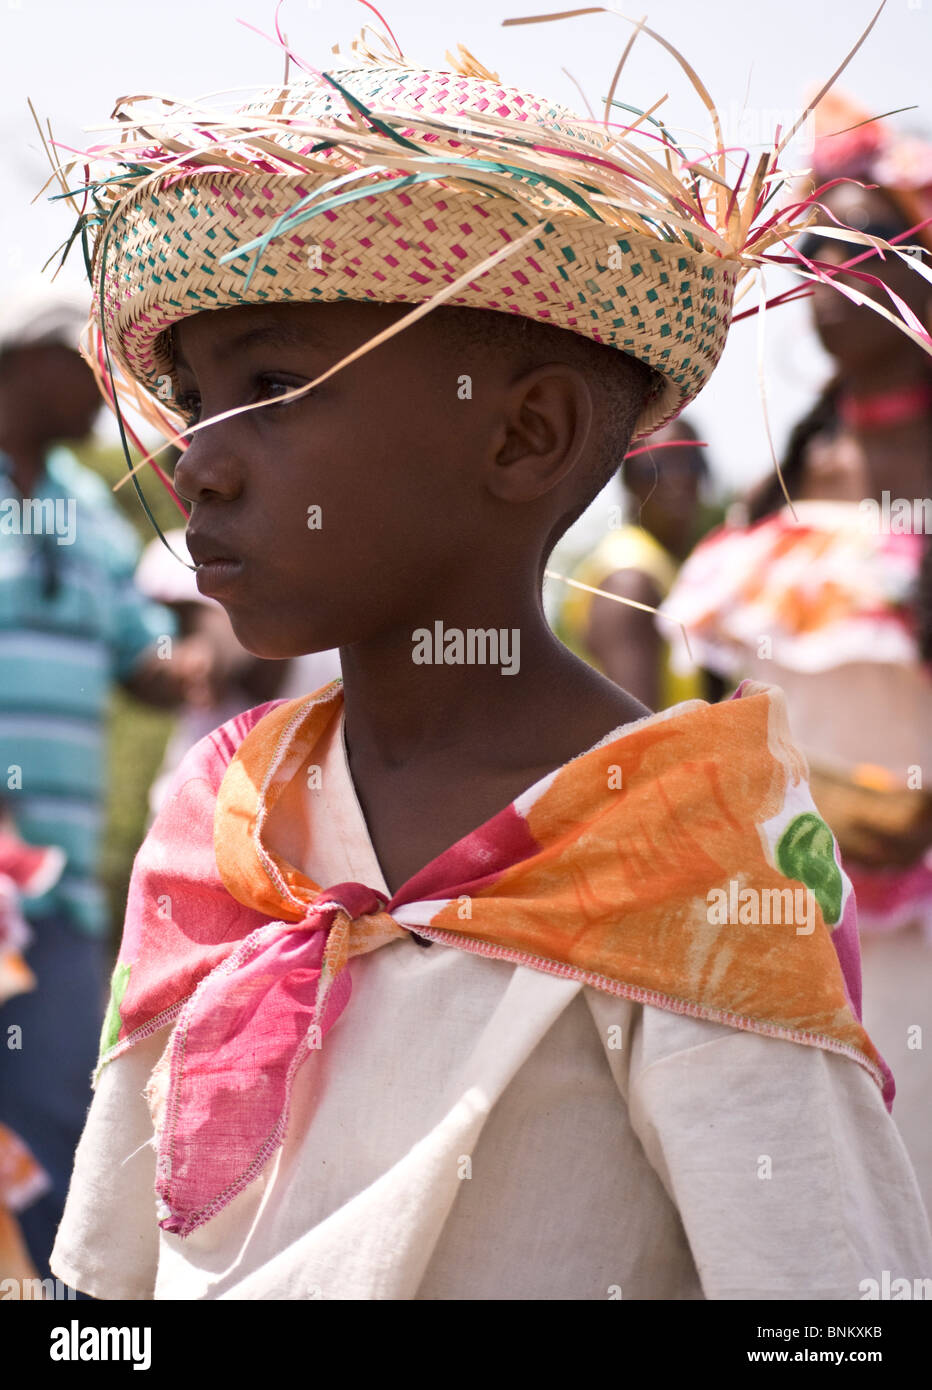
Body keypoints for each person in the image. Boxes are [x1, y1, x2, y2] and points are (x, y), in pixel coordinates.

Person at [44, 20, 932, 1300]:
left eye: (278, 387)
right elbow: (98, 1296)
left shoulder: (688, 848)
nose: (200, 460)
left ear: (523, 437)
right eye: (195, 399)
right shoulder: (225, 819)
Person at [660, 94, 932, 1212]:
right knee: (803, 1191)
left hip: (914, 900)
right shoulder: (777, 477)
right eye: (810, 250)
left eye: (860, 245)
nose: (824, 271)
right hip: (789, 900)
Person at [0, 284, 214, 1281]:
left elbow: (146, 661)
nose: (106, 390)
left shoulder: (86, 512)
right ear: (24, 368)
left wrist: (224, 635)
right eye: (85, 366)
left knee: (54, 1113)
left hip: (66, 887)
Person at [553, 417, 723, 707]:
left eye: (692, 464)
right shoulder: (630, 580)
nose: (678, 479)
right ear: (629, 481)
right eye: (657, 468)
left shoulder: (667, 570)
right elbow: (639, 737)